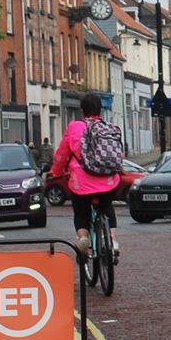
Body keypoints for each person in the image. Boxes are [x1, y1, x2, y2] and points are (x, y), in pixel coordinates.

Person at [51, 96, 122, 264]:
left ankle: (83, 238)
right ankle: (112, 241)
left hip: (81, 182)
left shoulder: (74, 127)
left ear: (82, 110)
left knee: (81, 212)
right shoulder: (109, 128)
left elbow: (61, 154)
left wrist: (56, 172)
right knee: (106, 207)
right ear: (100, 110)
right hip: (108, 180)